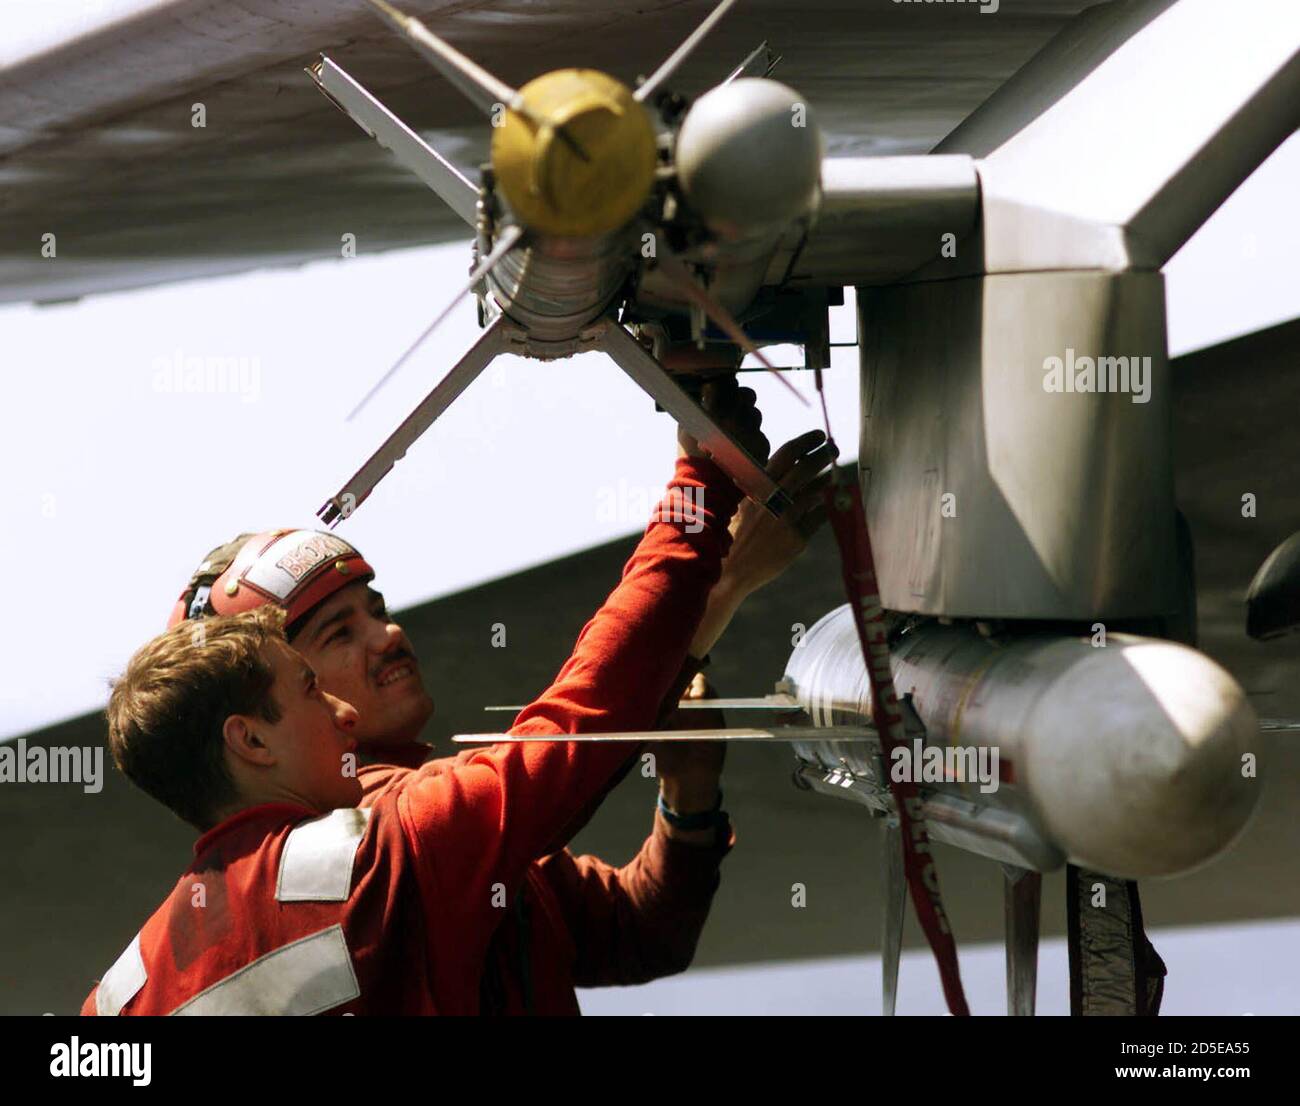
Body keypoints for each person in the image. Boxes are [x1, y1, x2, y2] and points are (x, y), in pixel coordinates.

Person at [83, 388, 834, 1014]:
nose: (389, 635)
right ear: (249, 738)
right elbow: (571, 734)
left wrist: (687, 806)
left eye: (375, 608)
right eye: (330, 647)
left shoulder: (123, 993)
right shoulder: (393, 848)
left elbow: (637, 935)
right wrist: (699, 496)